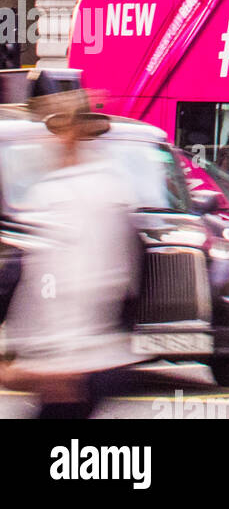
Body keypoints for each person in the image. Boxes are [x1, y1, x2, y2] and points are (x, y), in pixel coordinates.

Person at [0, 96, 137, 418]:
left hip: (70, 363)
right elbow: (126, 281)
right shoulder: (114, 190)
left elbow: (63, 281)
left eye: (52, 132)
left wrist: (59, 362)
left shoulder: (55, 195)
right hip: (100, 356)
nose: (46, 143)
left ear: (68, 137)